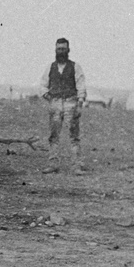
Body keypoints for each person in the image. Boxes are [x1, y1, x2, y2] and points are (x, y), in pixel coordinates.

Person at [40, 37, 87, 175]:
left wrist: (79, 105)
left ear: (68, 50)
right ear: (55, 50)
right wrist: (49, 98)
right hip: (55, 104)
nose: (61, 51)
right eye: (58, 49)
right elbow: (43, 86)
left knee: (74, 136)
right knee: (53, 136)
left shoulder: (75, 67)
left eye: (63, 49)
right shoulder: (50, 67)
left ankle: (76, 166)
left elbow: (81, 86)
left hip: (70, 103)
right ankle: (53, 164)